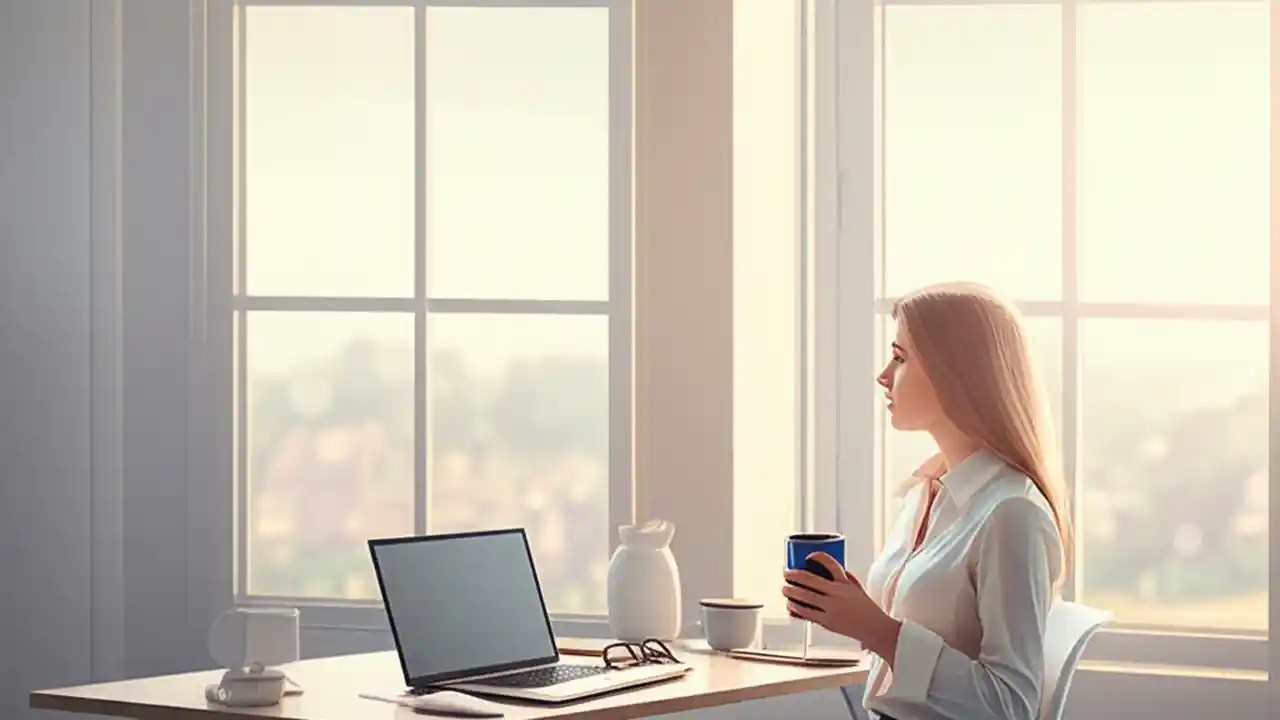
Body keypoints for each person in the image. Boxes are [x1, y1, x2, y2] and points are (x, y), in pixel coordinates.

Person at [781, 282, 1071, 720]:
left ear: (956, 373)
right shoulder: (926, 493)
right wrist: (854, 611)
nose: (883, 375)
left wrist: (876, 629)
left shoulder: (1013, 516)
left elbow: (1011, 708)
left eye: (900, 357)